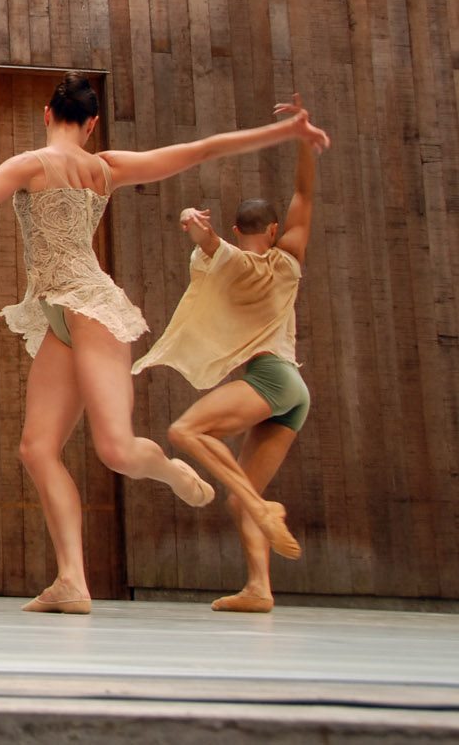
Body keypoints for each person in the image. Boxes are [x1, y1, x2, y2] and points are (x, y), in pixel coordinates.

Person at [0, 74, 329, 614]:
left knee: (116, 450)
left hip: (90, 309)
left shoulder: (33, 165)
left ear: (48, 113)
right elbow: (201, 150)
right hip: (59, 313)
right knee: (37, 447)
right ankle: (72, 579)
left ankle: (167, 469)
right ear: (92, 123)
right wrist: (285, 133)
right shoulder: (105, 166)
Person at [136, 104, 319, 612]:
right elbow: (304, 192)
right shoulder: (290, 259)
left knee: (186, 432)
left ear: (240, 230)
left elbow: (209, 243)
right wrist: (304, 138)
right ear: (275, 228)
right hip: (293, 391)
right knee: (241, 491)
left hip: (270, 378)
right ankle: (259, 587)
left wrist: (192, 224)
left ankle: (263, 509)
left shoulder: (232, 260)